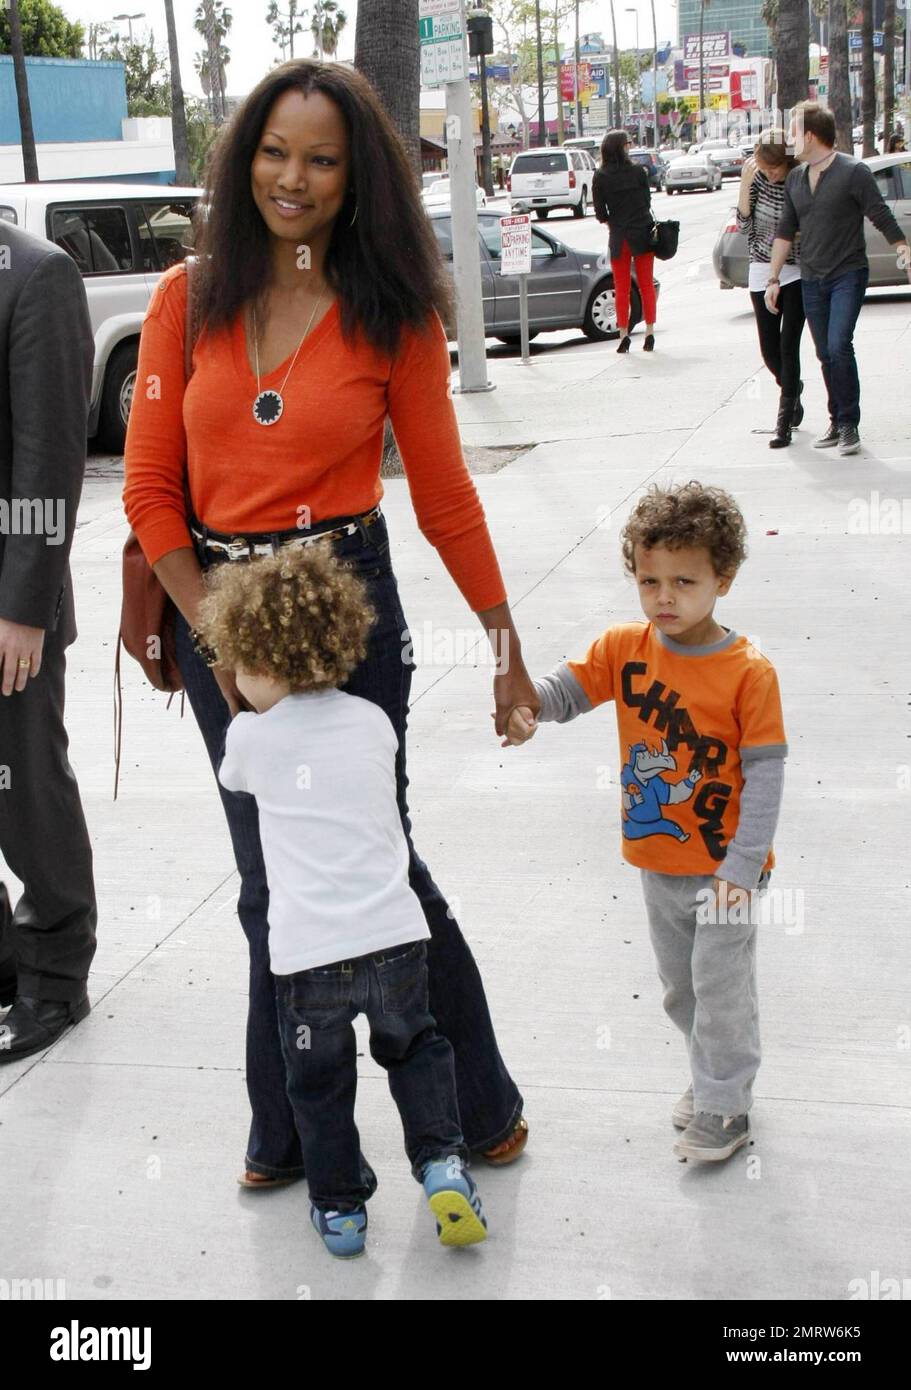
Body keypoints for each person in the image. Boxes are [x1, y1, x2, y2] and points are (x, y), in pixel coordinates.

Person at [123, 59, 535, 1188]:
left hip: (347, 604)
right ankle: (295, 1127)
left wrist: (504, 647)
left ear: (356, 182)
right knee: (269, 876)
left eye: (319, 159)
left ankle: (476, 1100)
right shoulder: (181, 300)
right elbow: (150, 490)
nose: (290, 178)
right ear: (241, 157)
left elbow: (444, 494)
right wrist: (219, 634)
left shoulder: (389, 314)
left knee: (374, 857)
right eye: (272, 151)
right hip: (220, 607)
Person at [196, 543, 489, 1257]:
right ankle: (442, 1162)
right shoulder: (371, 723)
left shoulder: (252, 741)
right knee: (416, 1050)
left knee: (320, 1085)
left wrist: (240, 710)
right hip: (395, 942)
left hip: (309, 963)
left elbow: (236, 775)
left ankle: (340, 1210)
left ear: (259, 665)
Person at [502, 483, 788, 1164]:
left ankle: (725, 1104)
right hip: (658, 862)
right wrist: (526, 706)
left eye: (685, 582)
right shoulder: (625, 647)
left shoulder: (747, 672)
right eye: (648, 579)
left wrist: (742, 868)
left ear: (723, 578)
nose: (664, 596)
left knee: (720, 988)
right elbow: (565, 692)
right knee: (680, 989)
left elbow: (769, 775)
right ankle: (712, 1077)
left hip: (724, 869)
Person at [0, 220, 98, 1062]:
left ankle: (55, 981)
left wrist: (25, 607)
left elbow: (50, 453)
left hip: (9, 605)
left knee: (28, 792)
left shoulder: (37, 274)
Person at [765, 101, 911, 456]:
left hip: (848, 272)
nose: (791, 140)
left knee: (838, 344)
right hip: (811, 277)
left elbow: (878, 212)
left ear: (811, 135)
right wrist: (772, 278)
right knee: (824, 352)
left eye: (795, 132)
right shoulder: (797, 178)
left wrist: (903, 246)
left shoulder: (852, 171)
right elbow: (785, 231)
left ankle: (849, 424)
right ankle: (836, 418)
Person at [736, 129, 806, 448]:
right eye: (764, 169)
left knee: (789, 344)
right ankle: (792, 389)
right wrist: (744, 187)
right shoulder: (757, 180)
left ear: (786, 162)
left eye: (774, 169)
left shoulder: (798, 180)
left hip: (796, 269)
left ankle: (784, 423)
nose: (770, 174)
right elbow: (744, 228)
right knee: (769, 349)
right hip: (761, 267)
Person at [592, 129, 658, 352]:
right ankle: (649, 332)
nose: (630, 146)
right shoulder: (639, 172)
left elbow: (600, 213)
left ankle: (623, 335)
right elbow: (647, 201)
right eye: (628, 143)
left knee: (621, 287)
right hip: (642, 233)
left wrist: (613, 221)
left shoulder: (600, 176)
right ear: (622, 147)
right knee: (647, 284)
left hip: (619, 236)